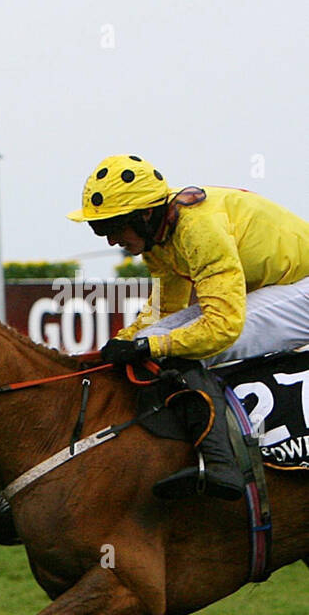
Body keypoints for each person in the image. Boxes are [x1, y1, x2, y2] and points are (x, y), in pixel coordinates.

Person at [69, 154, 309, 500]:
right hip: (281, 287)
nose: (109, 241)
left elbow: (221, 328)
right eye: (99, 229)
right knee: (150, 339)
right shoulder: (159, 236)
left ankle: (220, 465)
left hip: (301, 291)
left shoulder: (198, 229)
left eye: (113, 227)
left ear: (145, 214)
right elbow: (166, 311)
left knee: (187, 347)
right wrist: (123, 342)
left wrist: (148, 348)